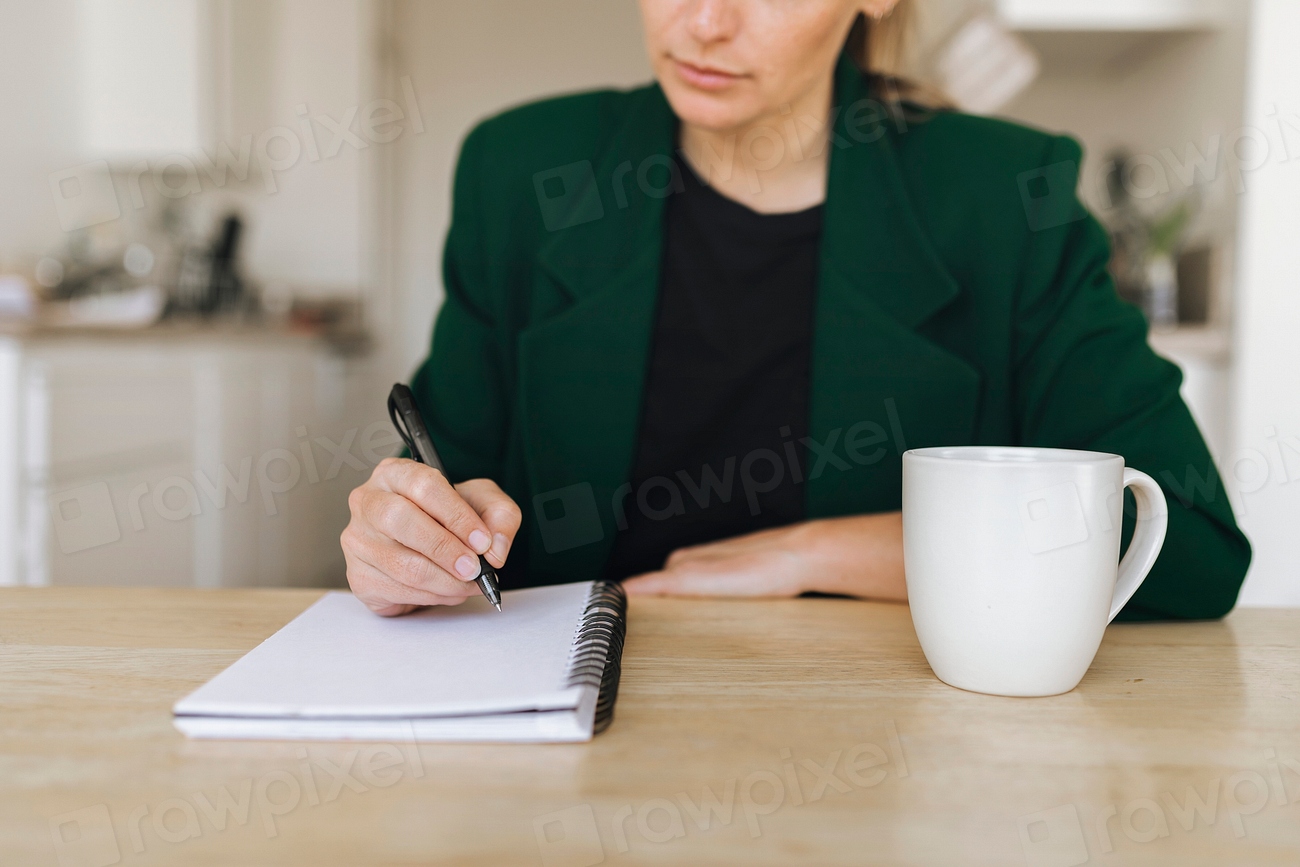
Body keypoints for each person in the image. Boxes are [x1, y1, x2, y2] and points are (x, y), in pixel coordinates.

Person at [341, 0, 1250, 618]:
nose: (705, 21)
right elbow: (448, 481)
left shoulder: (1006, 197)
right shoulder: (524, 172)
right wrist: (410, 543)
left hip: (892, 763)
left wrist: (818, 554)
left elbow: (1190, 545)